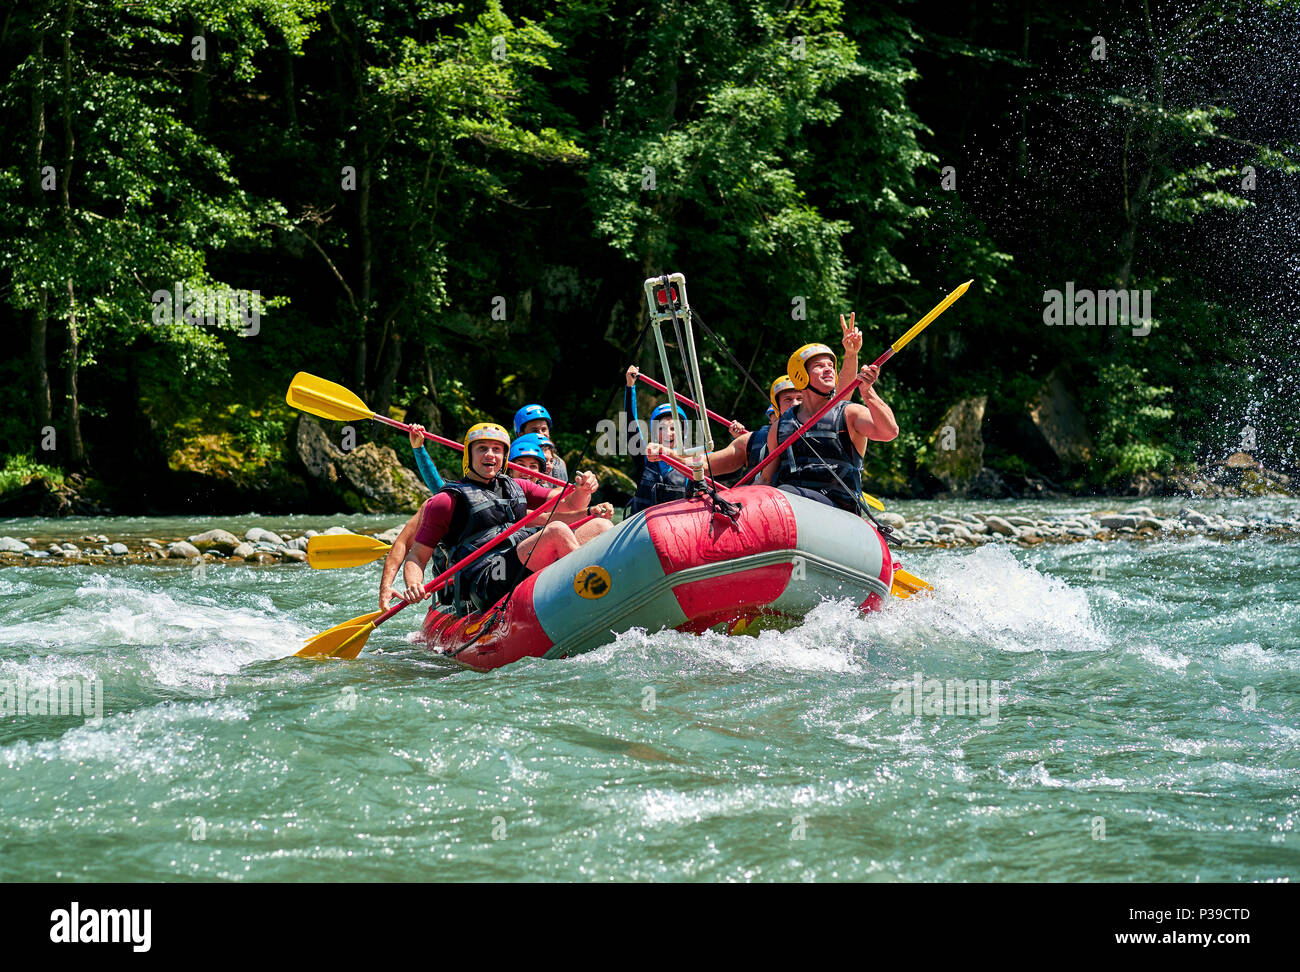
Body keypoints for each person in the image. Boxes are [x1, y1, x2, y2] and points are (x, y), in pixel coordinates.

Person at [401, 423, 610, 614]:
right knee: (556, 531)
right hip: (485, 579)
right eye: (482, 448)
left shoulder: (516, 486)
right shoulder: (446, 501)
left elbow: (569, 503)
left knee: (600, 525)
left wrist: (584, 489)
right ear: (469, 454)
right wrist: (413, 584)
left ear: (504, 455)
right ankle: (595, 597)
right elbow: (417, 557)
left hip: (519, 559)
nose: (490, 455)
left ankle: (605, 585)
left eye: (497, 449)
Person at [759, 319, 898, 513]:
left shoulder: (850, 413)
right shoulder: (780, 427)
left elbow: (889, 432)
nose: (828, 369)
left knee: (785, 492)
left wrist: (867, 392)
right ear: (801, 375)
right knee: (780, 492)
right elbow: (765, 479)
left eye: (831, 365)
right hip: (791, 508)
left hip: (839, 510)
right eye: (819, 365)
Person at [623, 364, 694, 514]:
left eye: (674, 428)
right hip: (642, 528)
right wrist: (630, 387)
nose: (668, 433)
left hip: (674, 529)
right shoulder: (644, 457)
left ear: (683, 432)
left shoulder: (691, 463)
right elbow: (631, 424)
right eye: (661, 428)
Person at [513, 404, 568, 481]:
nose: (541, 434)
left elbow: (563, 491)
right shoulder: (509, 458)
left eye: (544, 429)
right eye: (534, 430)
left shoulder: (558, 464)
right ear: (520, 435)